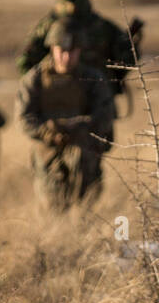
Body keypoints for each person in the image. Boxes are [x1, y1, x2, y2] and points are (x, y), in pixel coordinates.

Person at [16, 18, 115, 210]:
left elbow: (105, 116)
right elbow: (24, 119)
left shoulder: (93, 79)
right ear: (52, 48)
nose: (67, 57)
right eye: (62, 51)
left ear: (80, 51)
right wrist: (49, 133)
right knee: (52, 209)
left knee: (86, 208)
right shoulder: (34, 79)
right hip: (47, 154)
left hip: (84, 154)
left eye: (72, 52)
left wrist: (81, 128)